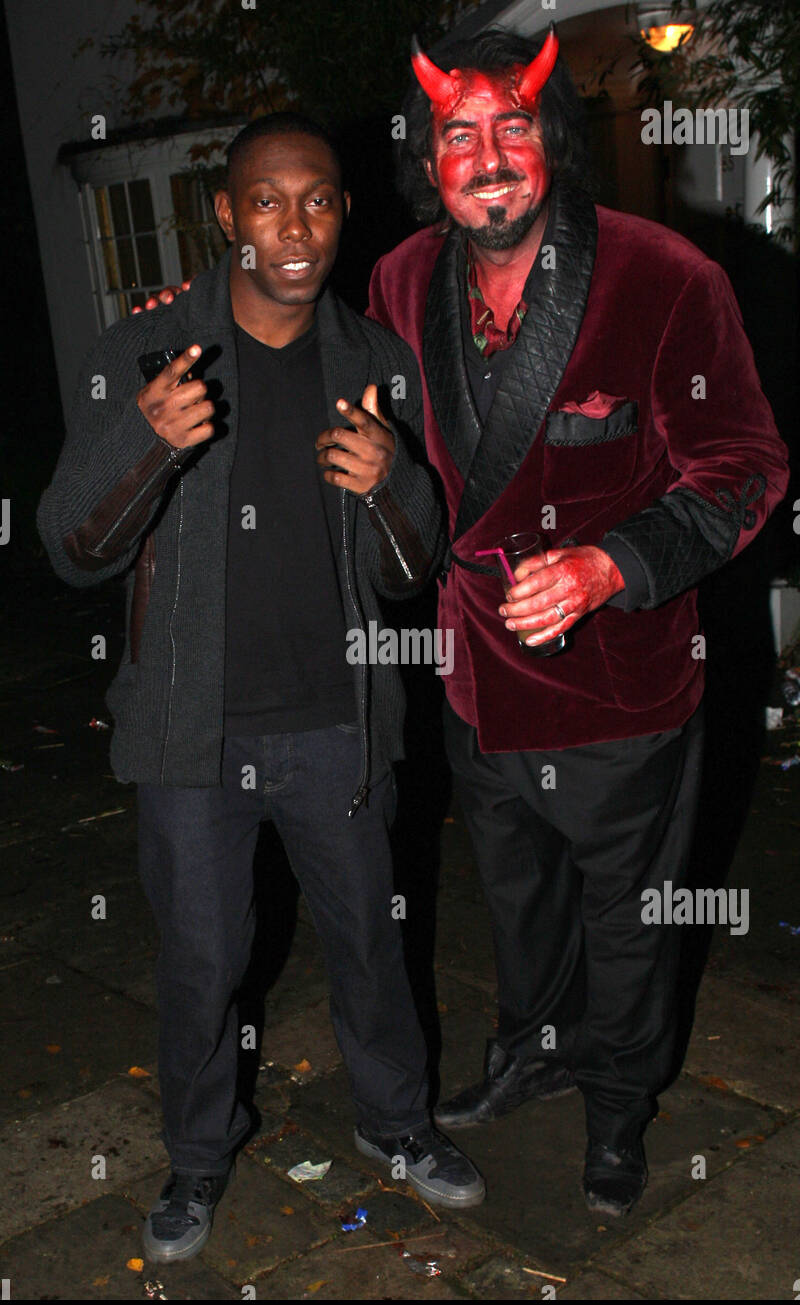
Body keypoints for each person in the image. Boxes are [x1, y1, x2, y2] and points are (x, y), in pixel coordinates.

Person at [37, 112, 485, 1264]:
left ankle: (397, 1126)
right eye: (268, 201)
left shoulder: (374, 364)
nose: (296, 226)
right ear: (226, 216)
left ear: (343, 212)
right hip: (194, 735)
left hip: (338, 724)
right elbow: (68, 548)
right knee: (200, 961)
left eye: (320, 199)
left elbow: (407, 570)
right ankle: (195, 1163)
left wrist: (394, 487)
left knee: (372, 948)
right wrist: (144, 441)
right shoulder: (141, 355)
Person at [366, 26, 790, 1216]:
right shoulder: (398, 282)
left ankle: (619, 1103)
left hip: (619, 677)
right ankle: (533, 1049)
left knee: (627, 920)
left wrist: (612, 562)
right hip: (477, 673)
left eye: (514, 127)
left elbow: (744, 467)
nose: (490, 157)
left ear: (551, 139)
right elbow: (331, 404)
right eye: (460, 134)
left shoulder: (663, 276)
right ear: (427, 156)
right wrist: (176, 318)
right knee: (519, 899)